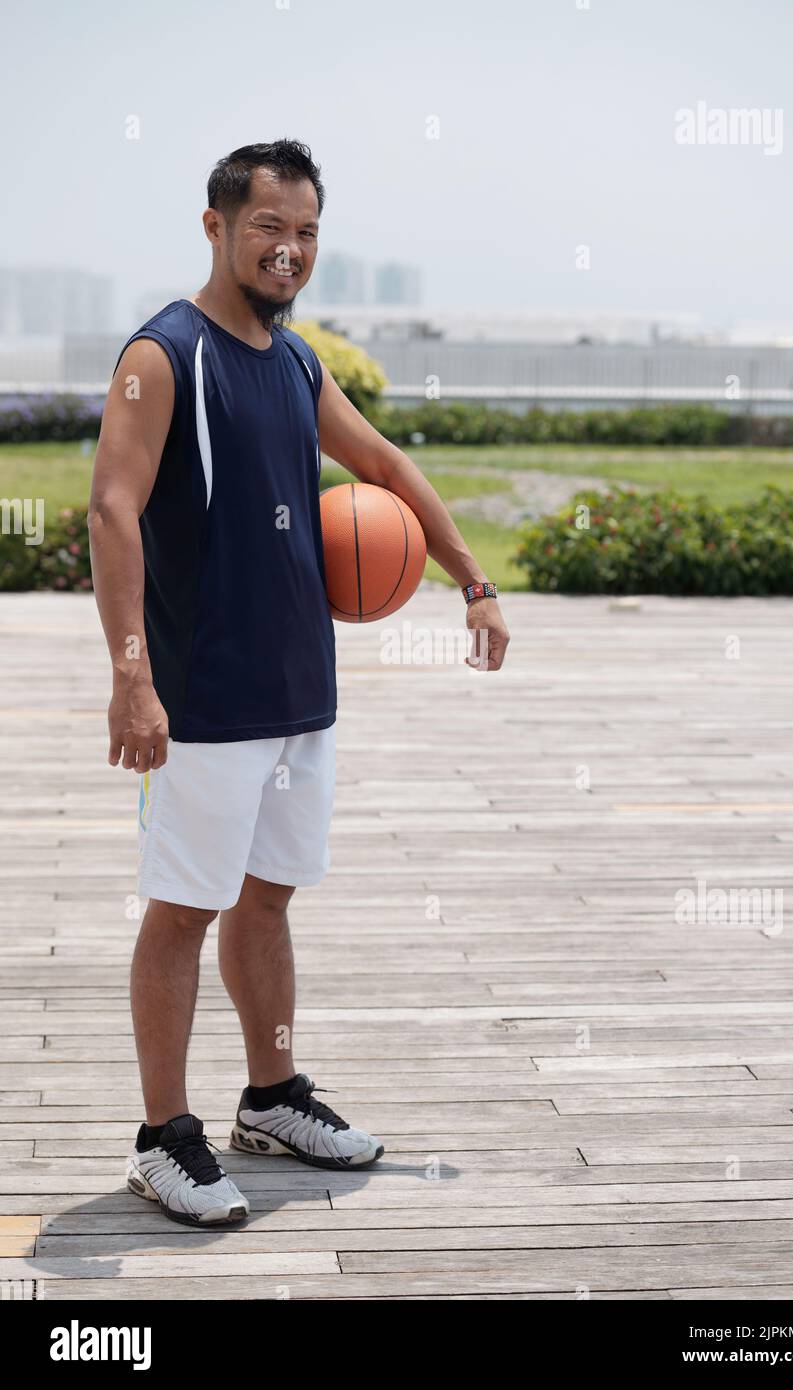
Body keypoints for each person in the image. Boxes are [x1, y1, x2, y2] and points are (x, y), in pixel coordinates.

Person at [88, 139, 510, 1226]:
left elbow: (383, 467)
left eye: (309, 231)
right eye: (270, 226)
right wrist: (131, 679)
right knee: (183, 908)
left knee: (267, 899)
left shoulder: (297, 361)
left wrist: (473, 577)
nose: (291, 250)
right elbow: (111, 510)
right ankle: (162, 1135)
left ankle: (271, 1096)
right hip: (202, 695)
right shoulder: (162, 353)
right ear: (218, 227)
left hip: (296, 691)